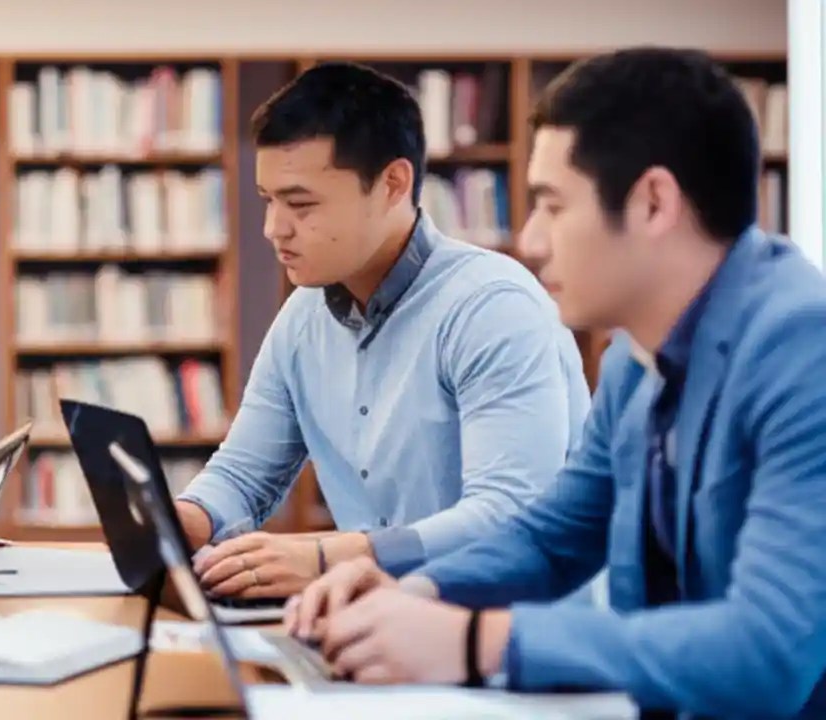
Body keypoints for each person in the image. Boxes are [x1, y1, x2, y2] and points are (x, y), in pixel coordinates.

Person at [285, 47, 826, 719]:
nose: (531, 240)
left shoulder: (806, 350)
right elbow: (554, 536)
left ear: (654, 202)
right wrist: (415, 593)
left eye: (551, 205)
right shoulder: (636, 359)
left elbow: (766, 652)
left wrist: (478, 640)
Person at [175, 62, 590, 600]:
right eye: (268, 200)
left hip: (510, 633)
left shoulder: (491, 308)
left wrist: (327, 557)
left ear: (394, 184)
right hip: (382, 626)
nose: (273, 228)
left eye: (300, 204)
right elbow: (242, 477)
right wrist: (178, 521)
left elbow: (509, 515)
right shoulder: (302, 318)